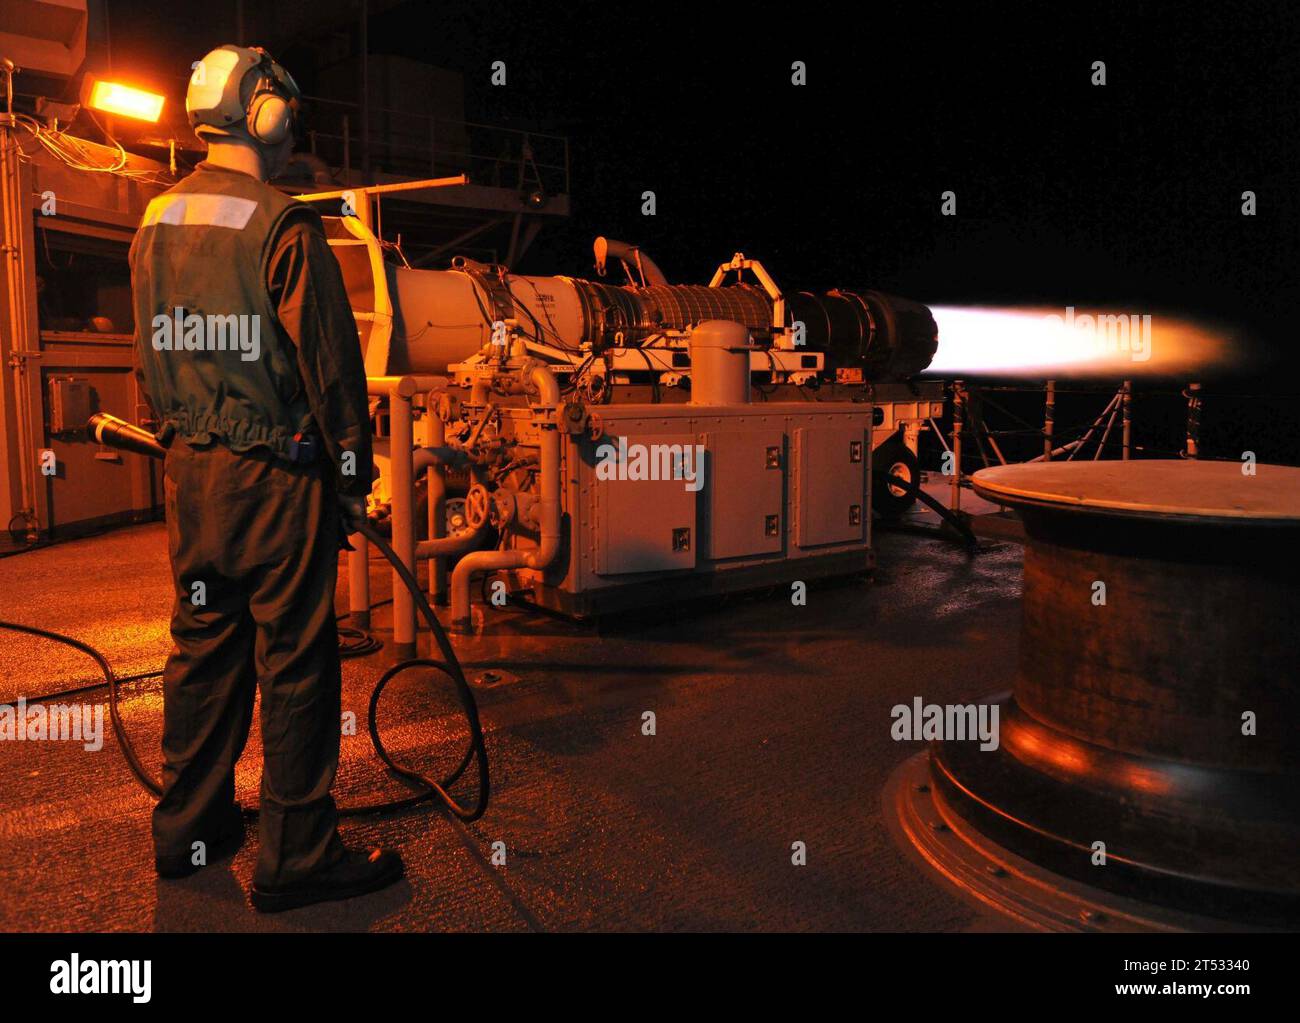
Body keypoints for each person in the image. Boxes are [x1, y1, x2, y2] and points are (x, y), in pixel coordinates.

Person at [130, 44, 402, 912]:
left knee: (203, 649)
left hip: (191, 476)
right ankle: (297, 856)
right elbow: (331, 374)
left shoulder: (155, 222)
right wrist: (355, 476)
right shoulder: (281, 224)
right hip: (276, 483)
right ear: (265, 115)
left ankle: (190, 833)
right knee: (295, 660)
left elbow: (149, 358)